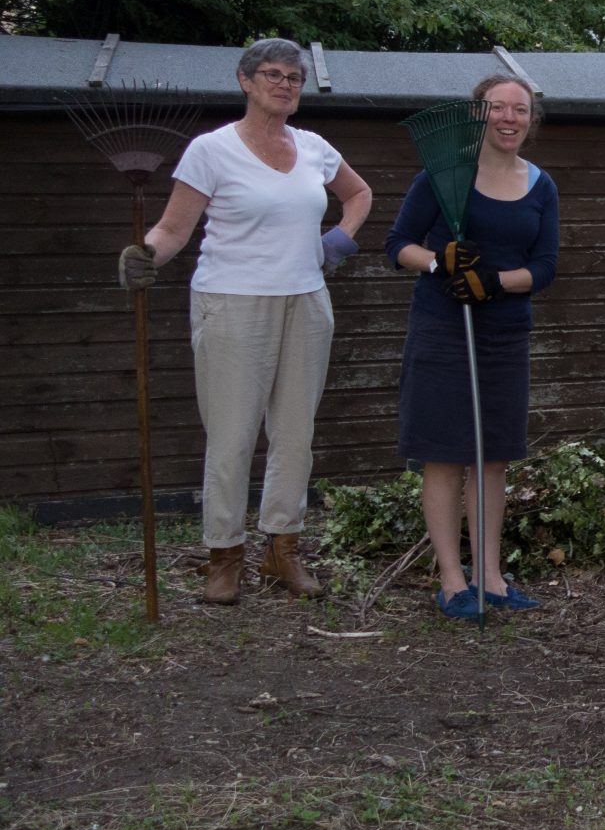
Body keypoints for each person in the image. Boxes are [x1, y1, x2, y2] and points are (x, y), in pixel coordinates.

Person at [118, 39, 373, 605]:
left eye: (294, 78)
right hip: (232, 303)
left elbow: (358, 194)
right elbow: (173, 229)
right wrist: (145, 255)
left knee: (295, 434)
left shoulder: (313, 146)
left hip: (306, 302)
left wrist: (338, 241)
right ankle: (224, 555)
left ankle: (283, 551)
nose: (284, 85)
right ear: (246, 81)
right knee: (232, 436)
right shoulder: (211, 150)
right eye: (272, 75)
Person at [386, 75, 560, 619]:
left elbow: (545, 267)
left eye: (521, 110)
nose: (510, 118)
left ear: (531, 120)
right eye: (498, 108)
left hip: (504, 334)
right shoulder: (443, 179)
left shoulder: (541, 186)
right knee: (445, 453)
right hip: (443, 327)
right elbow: (397, 245)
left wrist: (493, 281)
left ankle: (490, 576)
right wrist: (442, 264)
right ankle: (451, 579)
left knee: (493, 458)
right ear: (477, 114)